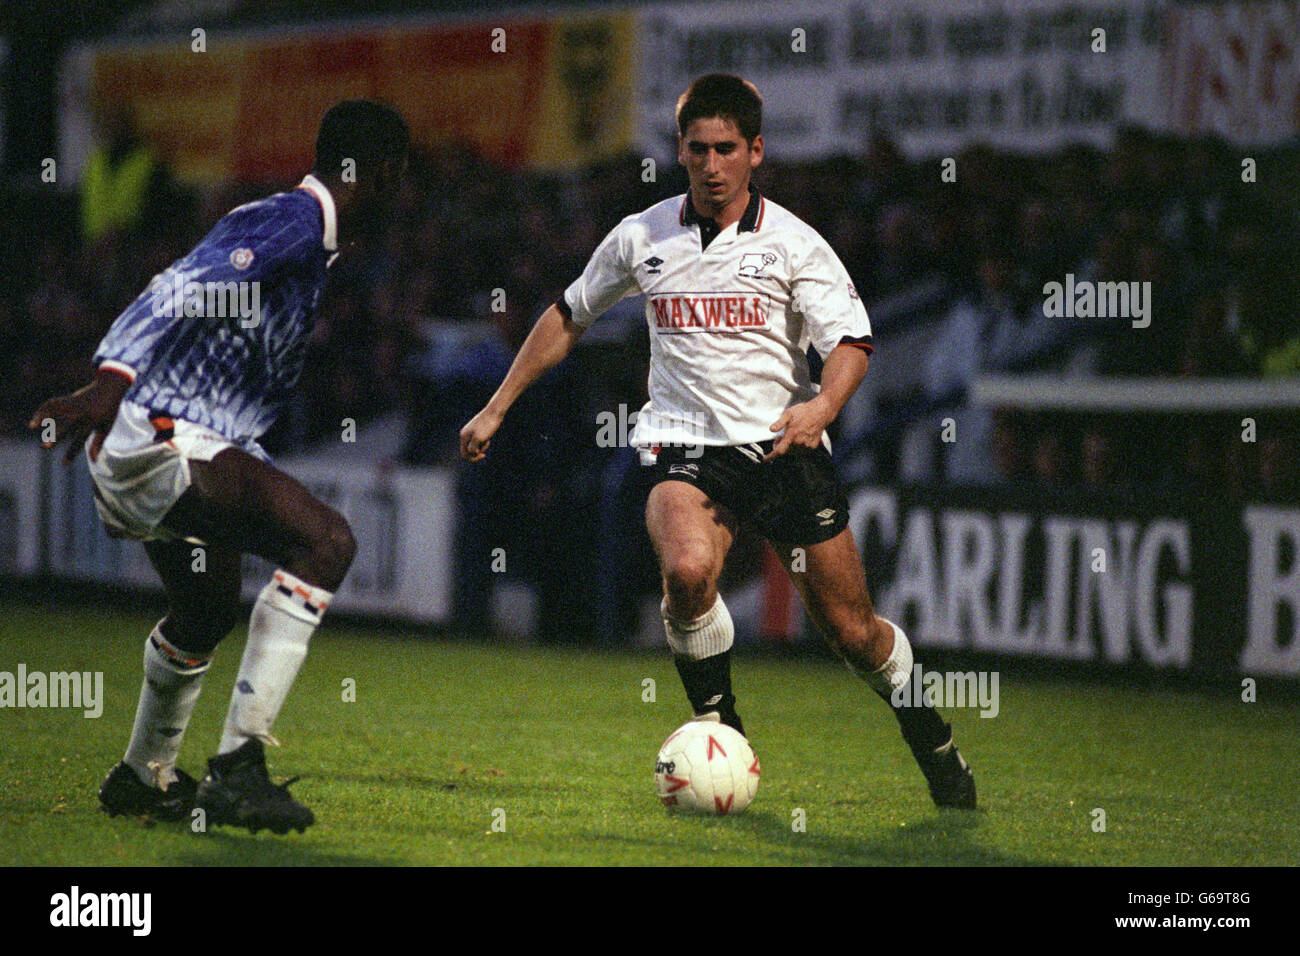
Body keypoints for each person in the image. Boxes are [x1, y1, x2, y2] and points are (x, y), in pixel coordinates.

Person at [460, 74, 975, 808]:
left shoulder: (796, 245)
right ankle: (719, 727)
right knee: (688, 572)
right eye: (696, 149)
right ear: (680, 150)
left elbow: (853, 343)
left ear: (755, 152)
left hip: (784, 447)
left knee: (854, 634)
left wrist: (822, 407)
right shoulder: (642, 235)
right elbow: (568, 314)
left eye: (725, 149)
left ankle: (932, 738)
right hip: (684, 443)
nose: (710, 164)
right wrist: (496, 407)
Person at [30, 100, 409, 833]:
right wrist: (108, 381)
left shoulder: (304, 236)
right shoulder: (295, 222)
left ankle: (143, 775)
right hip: (164, 435)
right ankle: (237, 768)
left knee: (205, 607)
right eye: (402, 176)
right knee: (326, 542)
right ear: (383, 172)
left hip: (167, 441)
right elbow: (180, 286)